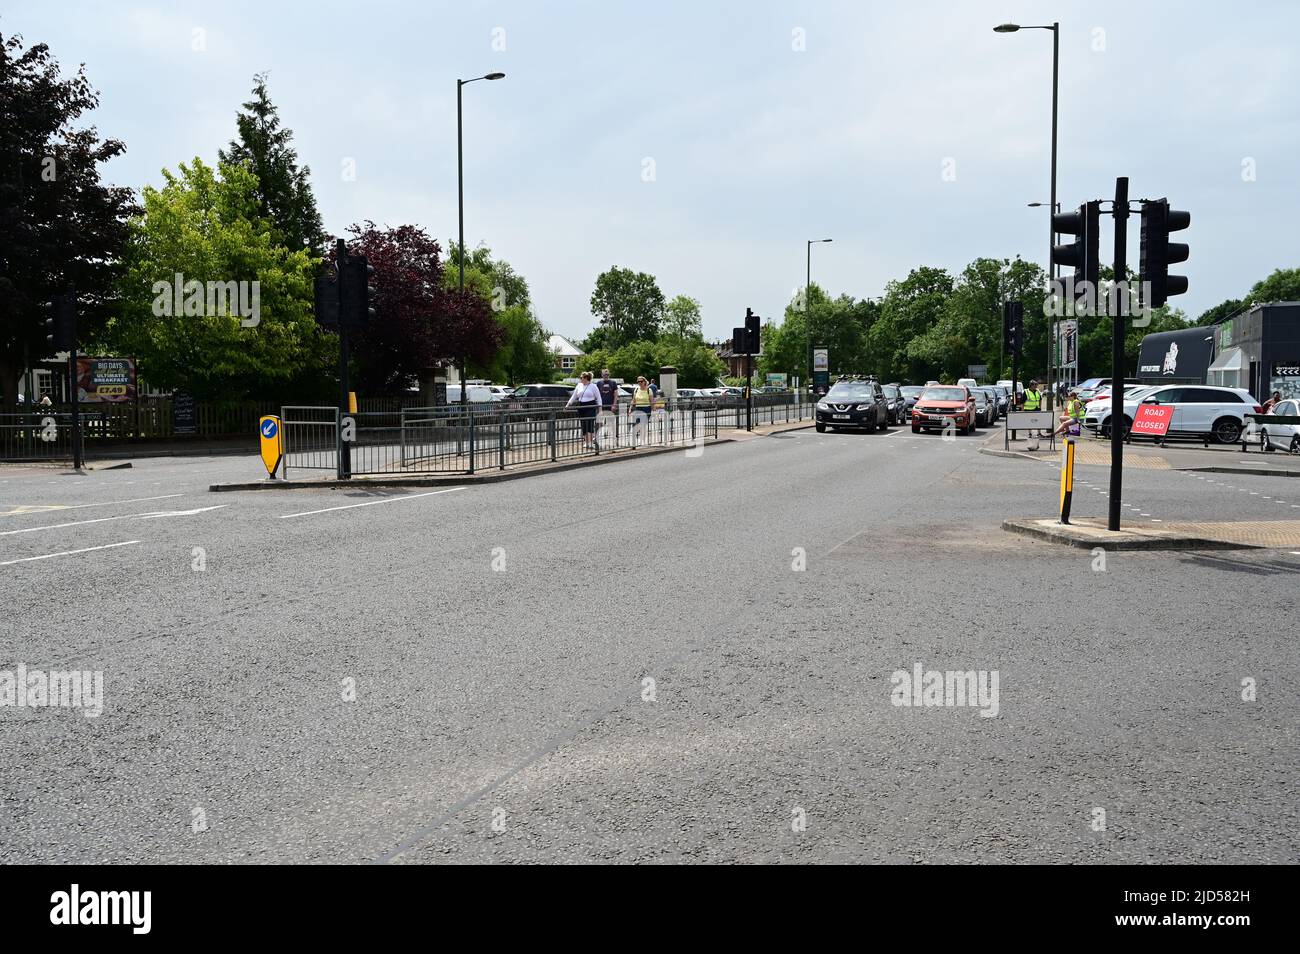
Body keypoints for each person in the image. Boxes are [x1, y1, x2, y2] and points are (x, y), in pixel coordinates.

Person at [565, 371, 602, 450]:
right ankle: (586, 441)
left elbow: (598, 397)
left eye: (581, 378)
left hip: (590, 405)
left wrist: (600, 408)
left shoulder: (593, 386)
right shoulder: (579, 385)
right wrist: (568, 405)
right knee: (583, 424)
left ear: (586, 378)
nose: (580, 379)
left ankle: (590, 442)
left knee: (589, 423)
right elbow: (574, 396)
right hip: (581, 406)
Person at [628, 375, 657, 446]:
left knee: (642, 425)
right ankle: (639, 440)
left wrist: (654, 411)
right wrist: (630, 409)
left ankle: (642, 440)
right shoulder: (636, 389)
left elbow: (652, 401)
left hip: (646, 408)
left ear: (644, 382)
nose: (639, 383)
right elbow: (633, 400)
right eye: (638, 381)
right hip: (638, 408)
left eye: (641, 381)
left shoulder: (648, 390)